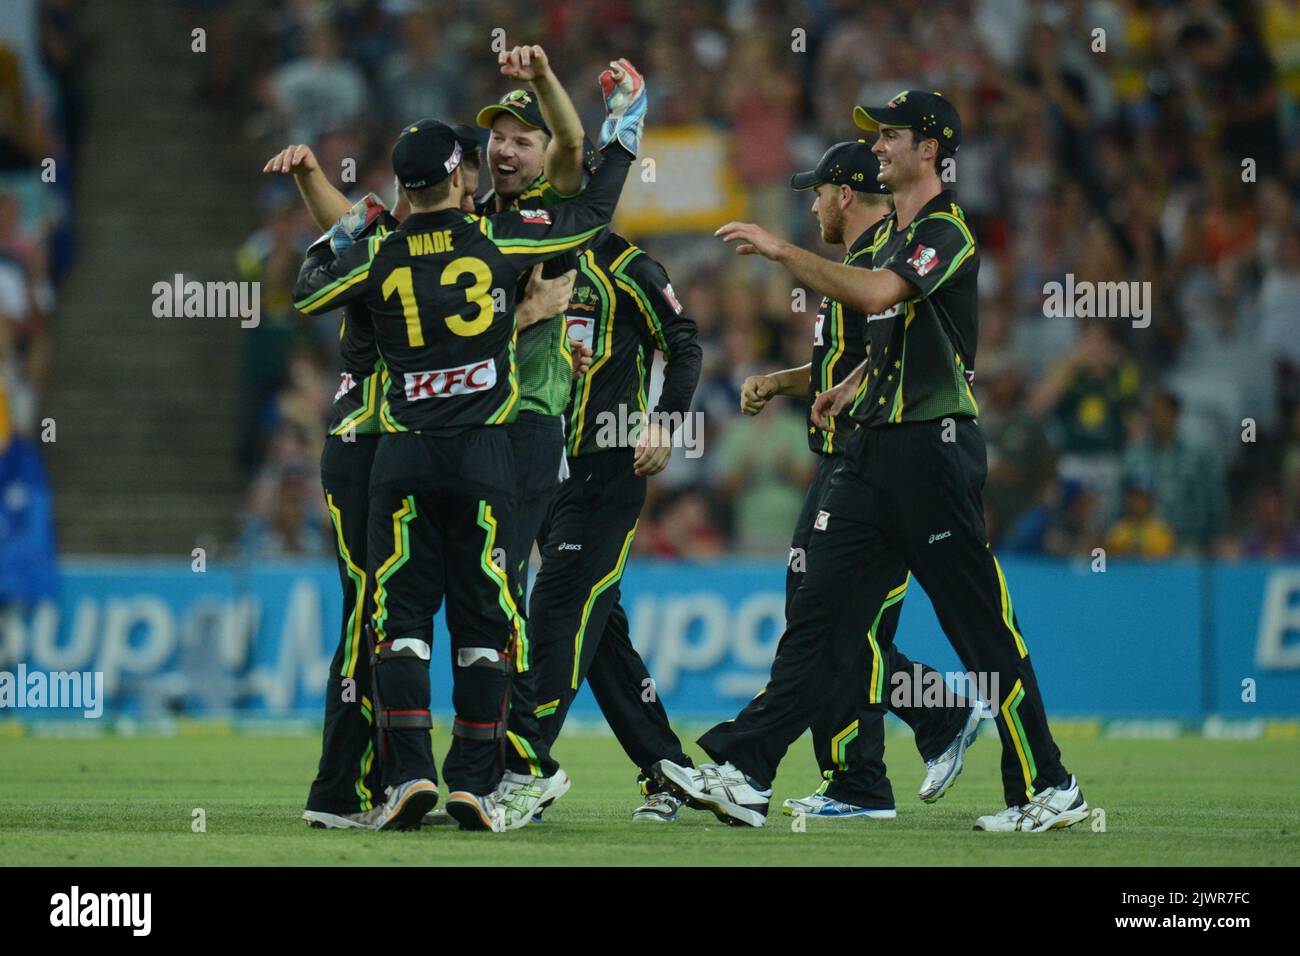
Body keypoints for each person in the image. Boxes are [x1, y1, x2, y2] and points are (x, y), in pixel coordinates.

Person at [655, 91, 1087, 832]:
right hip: (873, 452)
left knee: (981, 629)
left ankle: (1049, 786)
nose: (878, 145)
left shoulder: (944, 231)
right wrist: (844, 388)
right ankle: (747, 770)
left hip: (933, 452)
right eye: (877, 136)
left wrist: (784, 251)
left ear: (930, 148)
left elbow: (887, 296)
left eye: (890, 134)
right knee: (820, 618)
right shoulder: (895, 235)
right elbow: (897, 340)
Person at [292, 71, 645, 832]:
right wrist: (627, 127)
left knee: (401, 615)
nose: (497, 154)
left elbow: (311, 286)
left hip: (402, 453)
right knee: (490, 616)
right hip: (486, 454)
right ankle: (476, 782)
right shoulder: (497, 237)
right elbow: (588, 214)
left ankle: (405, 777)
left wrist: (351, 224)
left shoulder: (381, 250)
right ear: (459, 174)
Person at [737, 139, 981, 820]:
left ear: (845, 195)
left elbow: (900, 366)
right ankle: (857, 775)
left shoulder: (877, 267)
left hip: (874, 467)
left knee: (834, 629)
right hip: (849, 462)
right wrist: (783, 383)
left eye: (816, 192)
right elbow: (848, 369)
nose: (811, 206)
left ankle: (926, 726)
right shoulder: (859, 265)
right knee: (823, 620)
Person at [501, 220, 703, 823]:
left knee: (557, 611)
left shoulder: (632, 268)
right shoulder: (531, 260)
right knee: (602, 634)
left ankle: (523, 769)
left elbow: (685, 342)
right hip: (548, 469)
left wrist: (666, 422)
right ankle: (669, 770)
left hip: (609, 468)